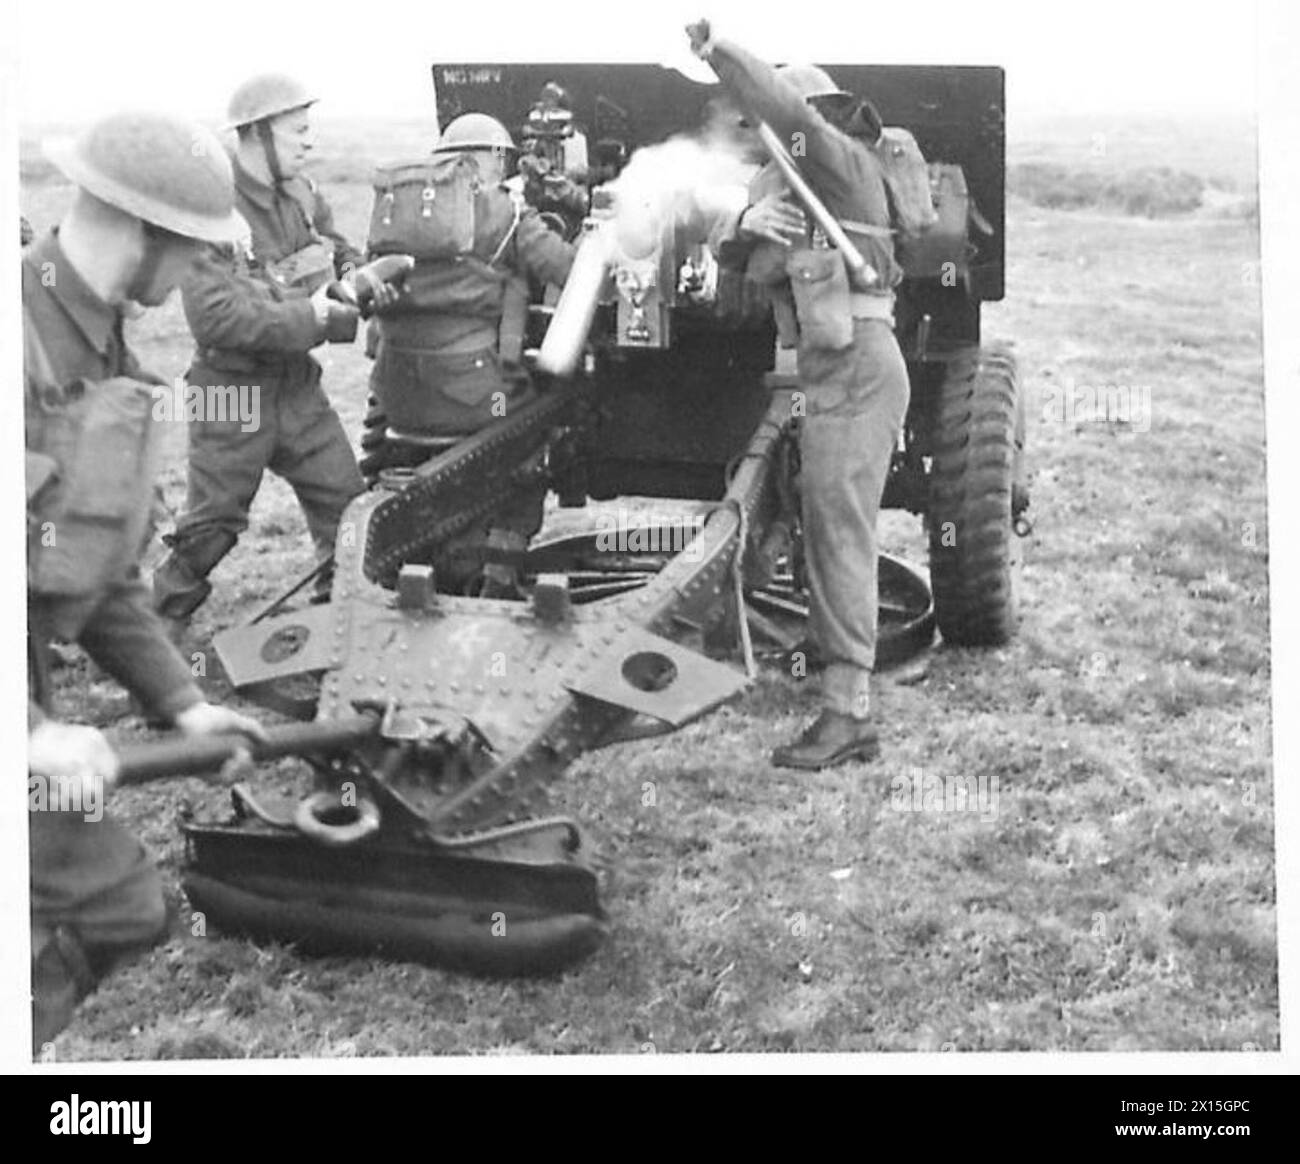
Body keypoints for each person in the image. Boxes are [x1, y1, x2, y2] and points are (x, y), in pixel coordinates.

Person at [25, 111, 267, 1052]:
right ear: (141, 229)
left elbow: (98, 567)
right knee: (109, 903)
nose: (197, 275)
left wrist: (183, 705)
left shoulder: (94, 346)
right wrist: (32, 734)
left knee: (115, 906)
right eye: (194, 251)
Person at [686, 22, 911, 770]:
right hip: (823, 374)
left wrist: (720, 49)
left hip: (857, 371)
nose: (769, 140)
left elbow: (788, 110)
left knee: (841, 536)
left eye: (778, 127)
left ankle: (848, 718)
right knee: (816, 525)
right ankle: (816, 669)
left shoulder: (840, 165)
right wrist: (742, 224)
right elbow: (740, 266)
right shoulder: (789, 194)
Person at [151, 74, 381, 622]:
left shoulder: (302, 195)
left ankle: (339, 620)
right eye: (297, 130)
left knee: (347, 510)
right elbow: (216, 318)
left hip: (293, 384)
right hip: (227, 392)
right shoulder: (210, 207)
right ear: (257, 133)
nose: (309, 142)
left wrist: (358, 275)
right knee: (211, 531)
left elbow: (335, 250)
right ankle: (148, 635)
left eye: (309, 130)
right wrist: (314, 314)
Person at [368, 112, 577, 596]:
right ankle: (499, 575)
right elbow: (566, 269)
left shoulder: (396, 214)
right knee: (537, 434)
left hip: (397, 395)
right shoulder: (507, 214)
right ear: (496, 158)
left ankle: (422, 564)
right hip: (479, 399)